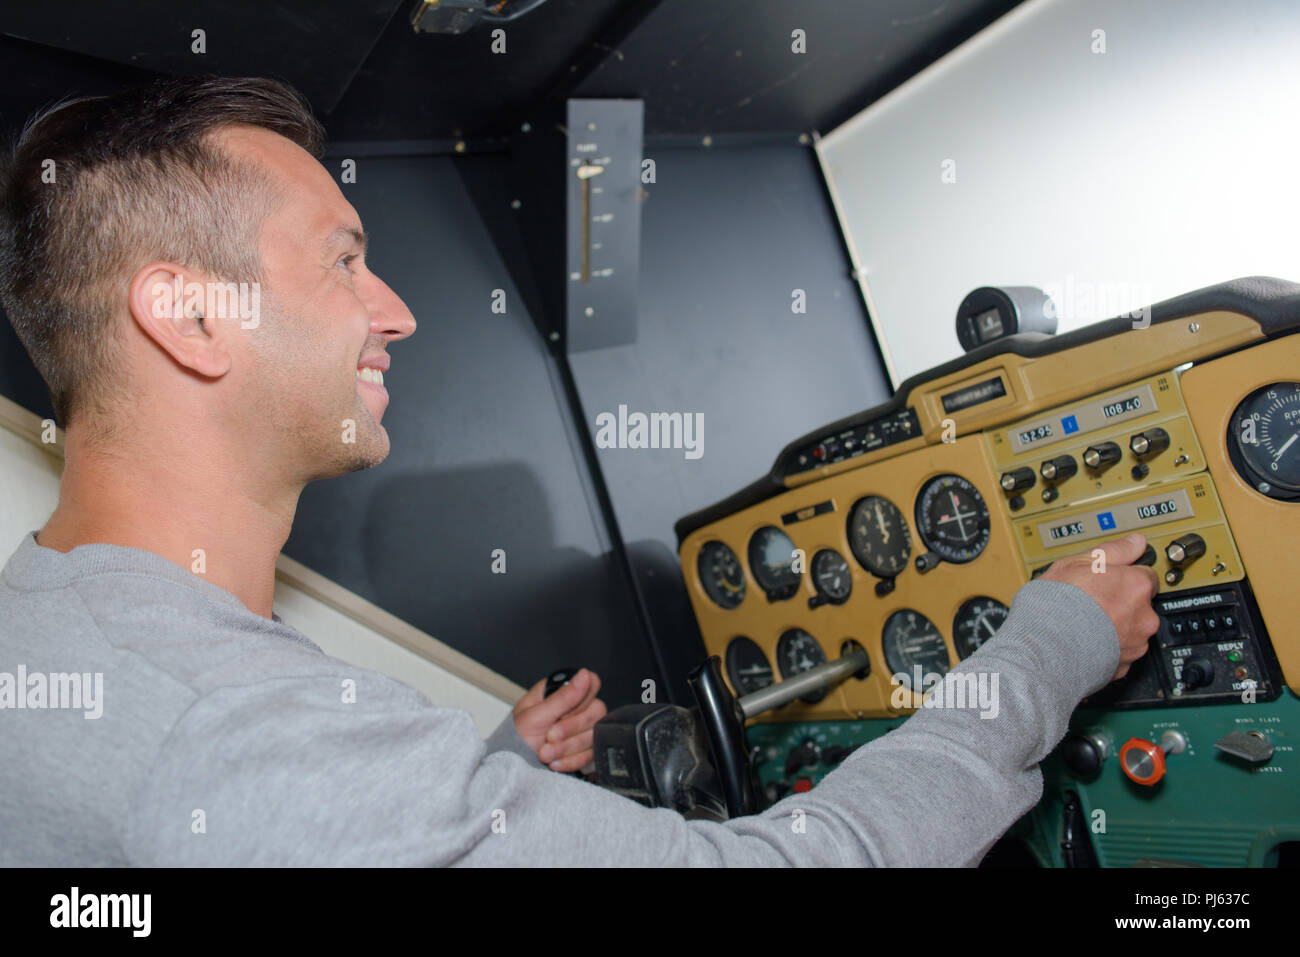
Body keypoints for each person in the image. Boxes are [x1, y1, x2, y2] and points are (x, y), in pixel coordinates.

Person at [0, 75, 1159, 866]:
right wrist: (1051, 643)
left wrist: (488, 790)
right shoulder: (232, 731)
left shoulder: (60, 628)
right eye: (344, 260)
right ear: (191, 317)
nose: (395, 314)